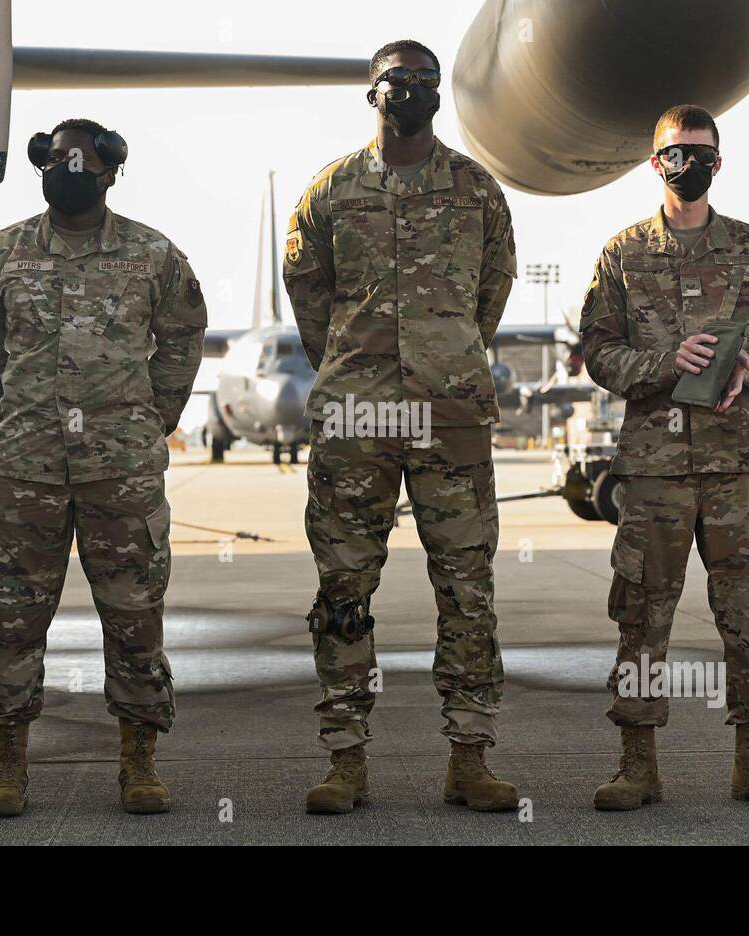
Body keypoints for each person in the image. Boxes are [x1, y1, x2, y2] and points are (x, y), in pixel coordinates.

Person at [283, 39, 519, 814]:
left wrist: (448, 356)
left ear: (438, 95)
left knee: (468, 590)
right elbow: (309, 299)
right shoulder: (330, 192)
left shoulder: (477, 190)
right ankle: (345, 760)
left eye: (422, 81)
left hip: (450, 414)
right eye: (395, 81)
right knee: (344, 587)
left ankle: (469, 757)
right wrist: (355, 366)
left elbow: (494, 289)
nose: (408, 91)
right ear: (371, 93)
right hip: (358, 416)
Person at [0, 118, 206, 817]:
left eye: (81, 159)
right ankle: (7, 764)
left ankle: (139, 760)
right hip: (25, 470)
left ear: (109, 172)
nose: (67, 168)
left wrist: (148, 419)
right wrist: (17, 412)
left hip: (119, 470)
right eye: (55, 157)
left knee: (134, 619)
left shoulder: (155, 255)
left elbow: (183, 340)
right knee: (12, 618)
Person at [579, 104, 749, 810]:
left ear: (718, 161)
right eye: (676, 152)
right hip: (653, 471)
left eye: (700, 152)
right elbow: (598, 352)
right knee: (643, 616)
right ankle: (637, 766)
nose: (688, 163)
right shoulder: (622, 254)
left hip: (737, 463)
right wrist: (663, 363)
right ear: (655, 163)